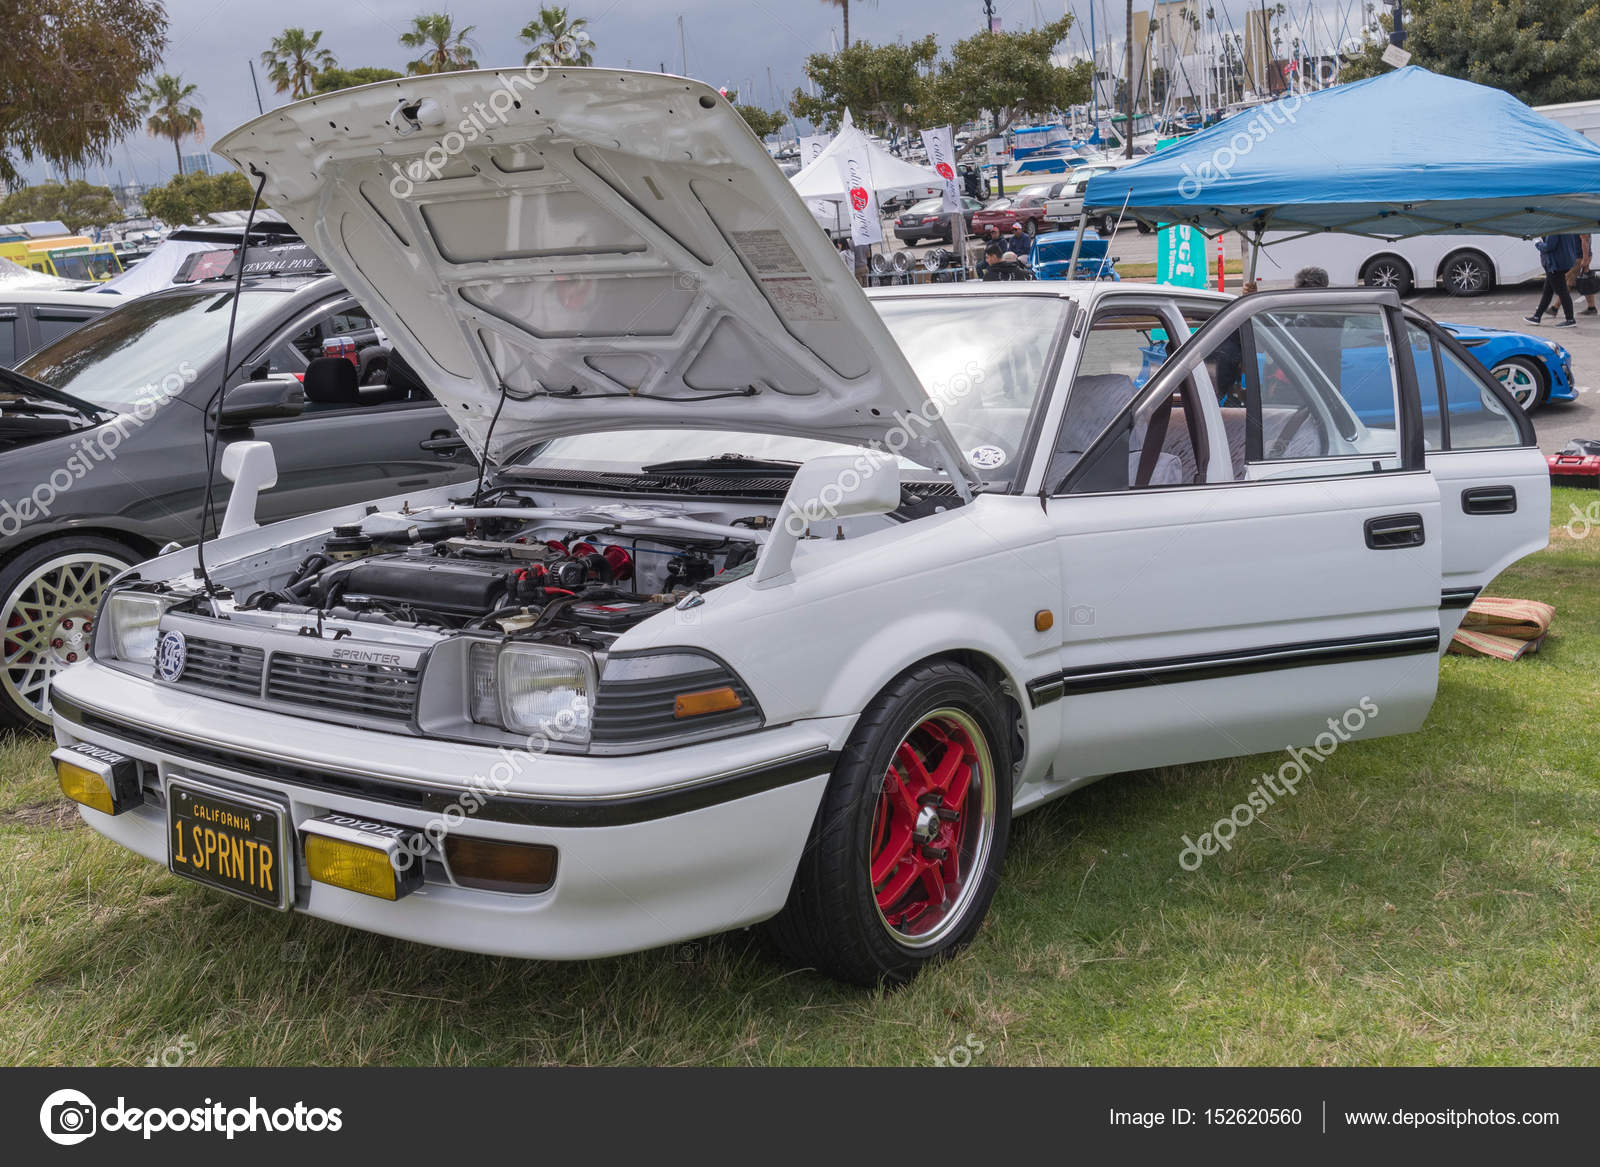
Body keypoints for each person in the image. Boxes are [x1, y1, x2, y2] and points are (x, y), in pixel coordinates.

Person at [1526, 233, 1581, 326]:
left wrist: (1537, 243)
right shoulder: (1565, 227)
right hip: (1562, 262)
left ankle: (1570, 319)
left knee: (1563, 292)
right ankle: (1537, 317)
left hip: (1555, 265)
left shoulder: (1554, 230)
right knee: (1547, 291)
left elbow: (1549, 247)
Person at [1577, 236, 1597, 315]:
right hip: (1581, 256)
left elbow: (1585, 240)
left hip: (1580, 257)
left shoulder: (1581, 224)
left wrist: (1585, 258)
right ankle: (1591, 307)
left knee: (1568, 282)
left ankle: (1555, 308)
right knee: (1586, 281)